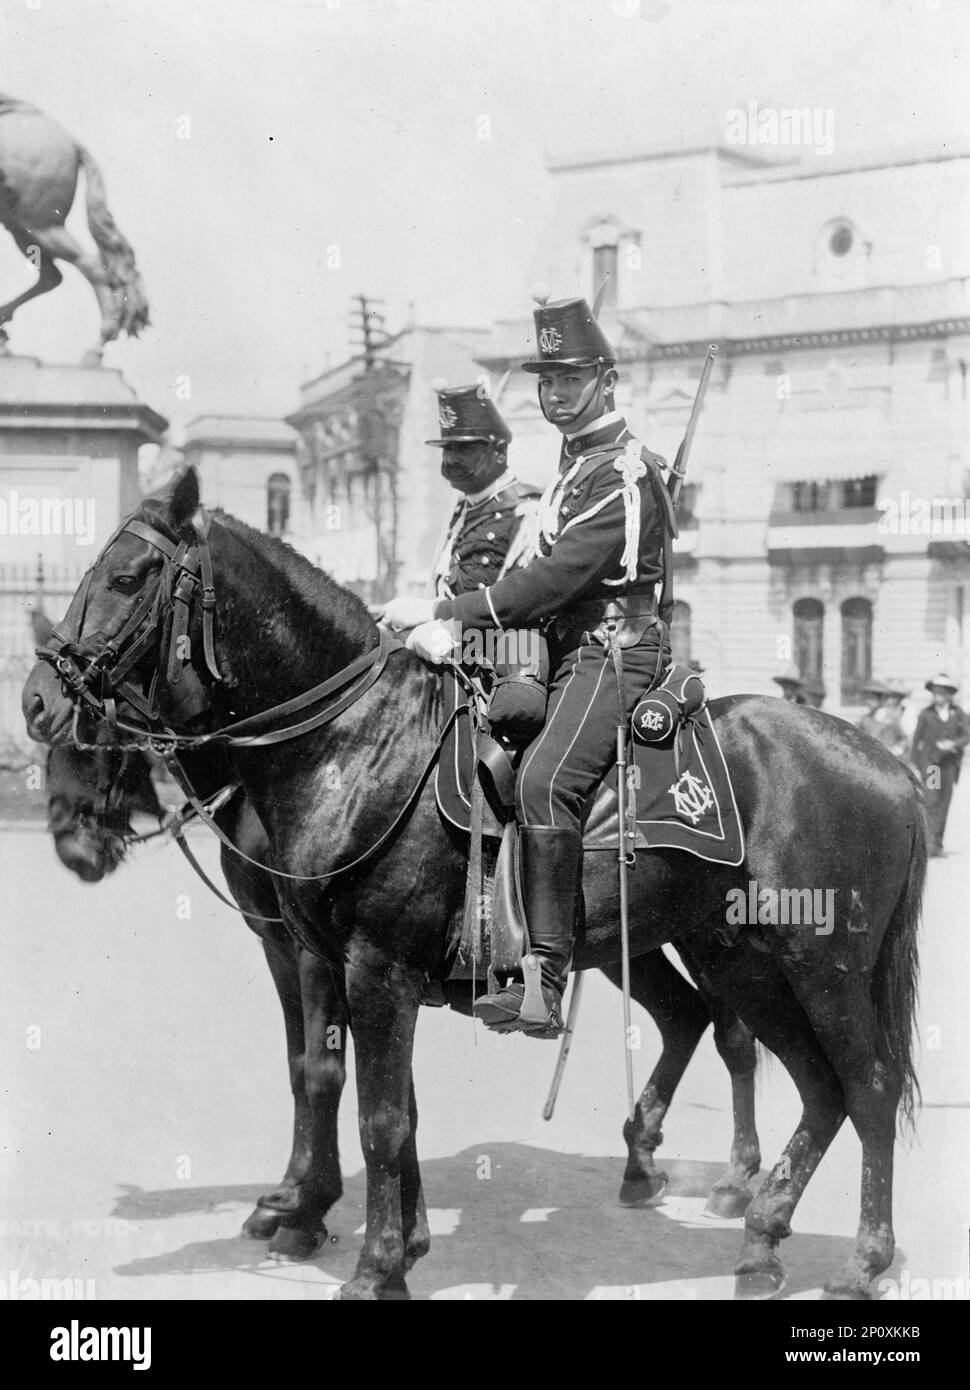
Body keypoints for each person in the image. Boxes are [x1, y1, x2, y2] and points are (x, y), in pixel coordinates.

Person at [400, 290, 676, 1036]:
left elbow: (552, 582)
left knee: (546, 779)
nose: (553, 394)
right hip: (566, 648)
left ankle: (543, 979)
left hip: (615, 648)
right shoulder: (576, 468)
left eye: (569, 379)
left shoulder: (620, 473)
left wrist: (450, 614)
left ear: (606, 382)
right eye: (546, 381)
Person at [379, 382, 546, 739]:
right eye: (447, 448)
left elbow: (520, 612)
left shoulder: (527, 512)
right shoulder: (465, 507)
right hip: (448, 646)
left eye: (464, 449)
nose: (451, 459)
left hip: (497, 658)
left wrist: (431, 632)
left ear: (499, 451)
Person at [911, 674, 969, 857]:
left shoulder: (958, 714)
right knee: (931, 800)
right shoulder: (927, 714)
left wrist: (953, 744)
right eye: (935, 693)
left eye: (942, 694)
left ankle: (937, 844)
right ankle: (929, 844)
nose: (938, 697)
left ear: (950, 695)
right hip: (932, 765)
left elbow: (967, 735)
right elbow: (916, 740)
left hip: (950, 766)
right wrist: (920, 765)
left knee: (944, 803)